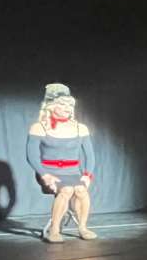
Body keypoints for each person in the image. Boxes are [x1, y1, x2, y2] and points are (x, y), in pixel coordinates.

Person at [26, 83, 96, 243]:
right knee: (66, 190)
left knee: (81, 190)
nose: (68, 108)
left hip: (72, 171)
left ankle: (83, 227)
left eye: (70, 105)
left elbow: (90, 156)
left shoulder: (80, 128)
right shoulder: (39, 127)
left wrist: (87, 175)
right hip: (48, 171)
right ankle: (54, 230)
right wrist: (44, 175)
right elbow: (31, 156)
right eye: (63, 104)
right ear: (51, 106)